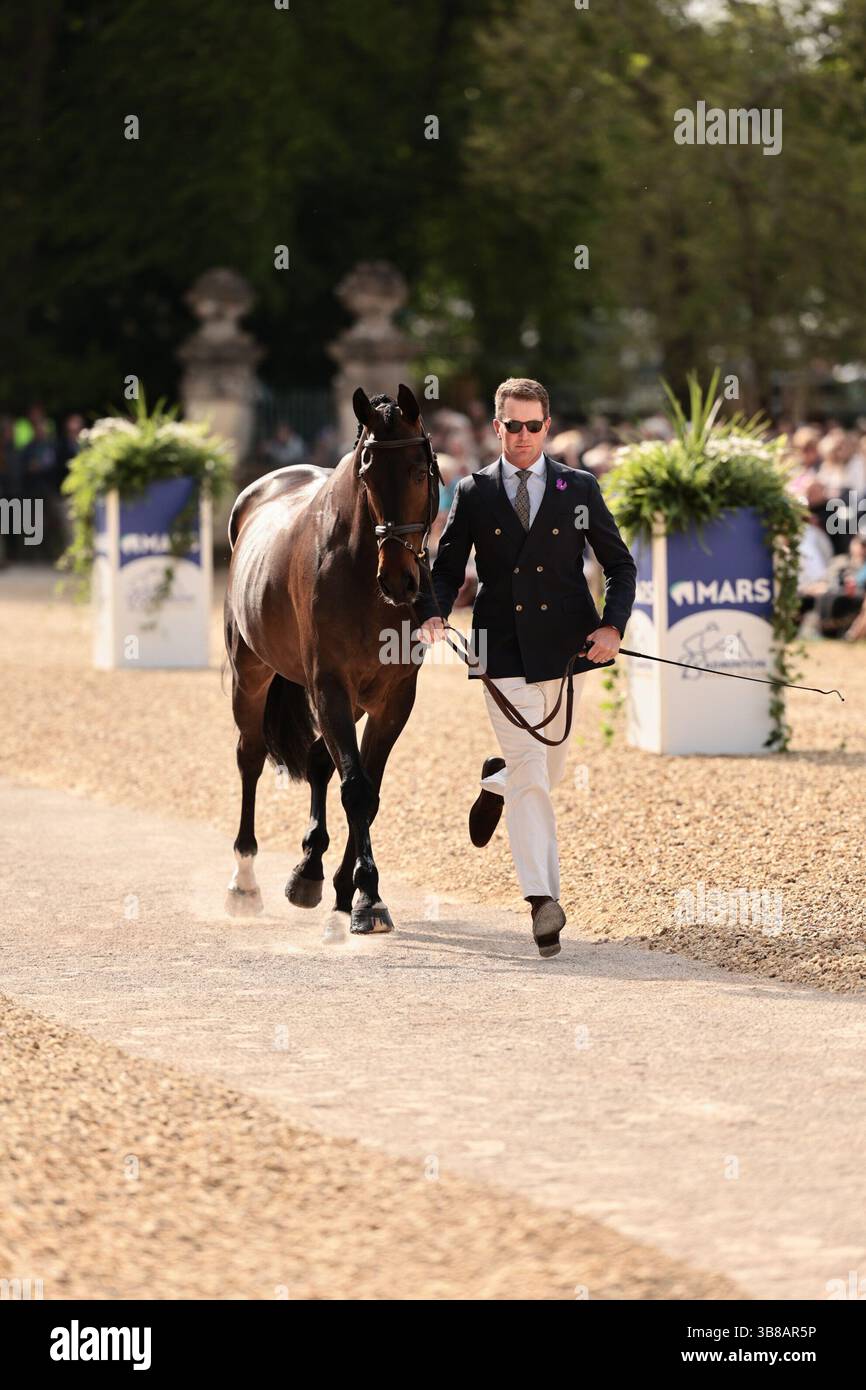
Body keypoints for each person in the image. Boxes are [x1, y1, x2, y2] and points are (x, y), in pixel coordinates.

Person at [414, 377, 636, 959]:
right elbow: (445, 567)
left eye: (533, 425)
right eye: (511, 425)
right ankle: (543, 901)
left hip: (567, 649)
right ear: (496, 427)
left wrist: (613, 627)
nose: (522, 436)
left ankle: (496, 782)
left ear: (547, 425)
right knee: (535, 775)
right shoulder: (473, 491)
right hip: (500, 650)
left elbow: (620, 564)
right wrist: (432, 613)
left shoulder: (578, 486)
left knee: (546, 771)